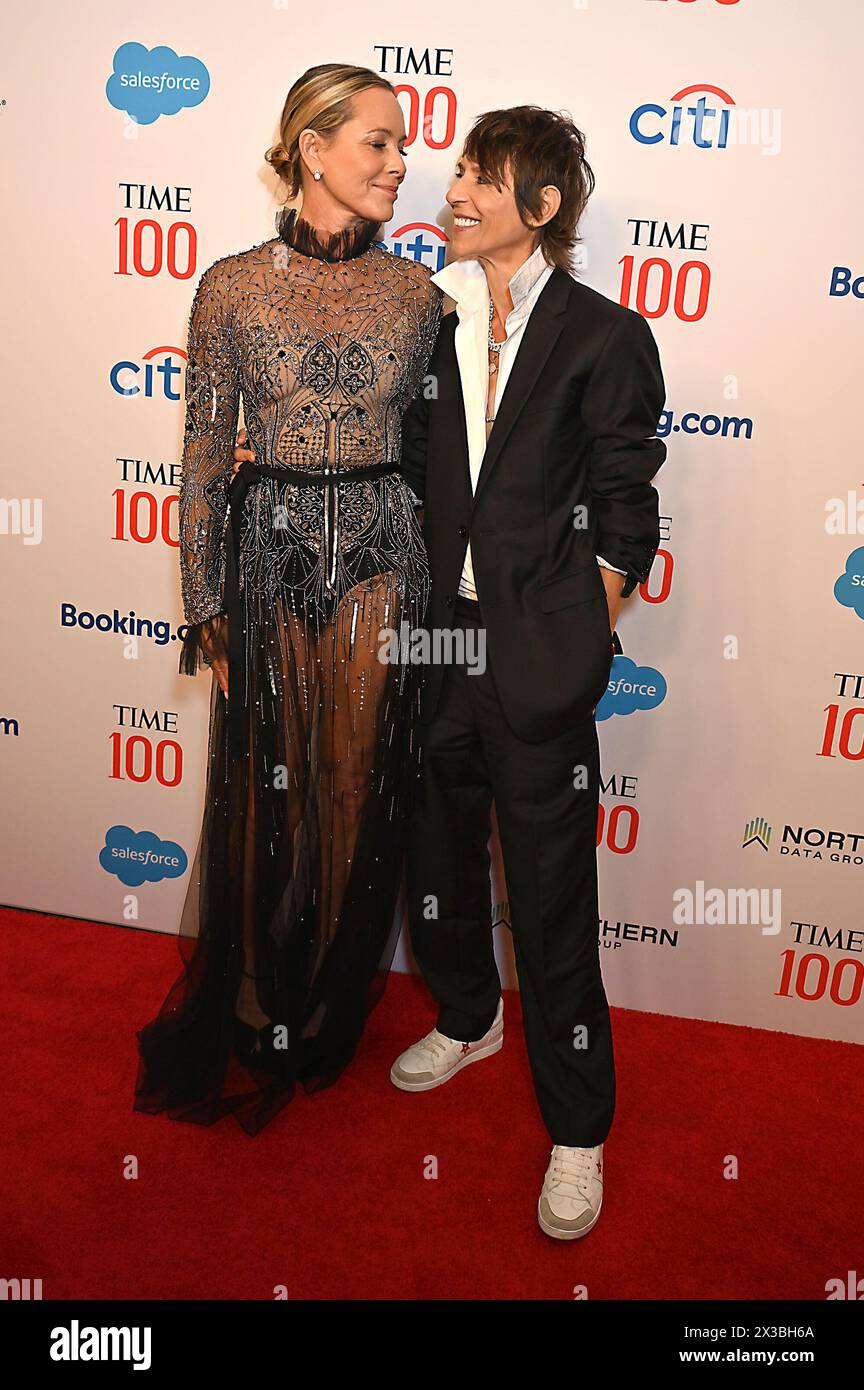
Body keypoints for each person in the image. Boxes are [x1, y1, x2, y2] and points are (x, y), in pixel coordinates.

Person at [133, 63, 442, 1136]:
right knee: (271, 785)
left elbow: (443, 451)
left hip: (383, 551)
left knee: (353, 781)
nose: (399, 163)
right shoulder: (230, 286)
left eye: (401, 145)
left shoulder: (422, 295)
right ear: (313, 148)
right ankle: (260, 988)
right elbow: (201, 453)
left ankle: (327, 989)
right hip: (265, 551)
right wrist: (203, 601)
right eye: (377, 142)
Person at [389, 106, 667, 1238]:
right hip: (435, 643)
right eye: (456, 171)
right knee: (438, 852)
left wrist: (580, 631)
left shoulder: (605, 336)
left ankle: (579, 1128)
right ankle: (468, 1015)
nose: (452, 192)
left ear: (540, 206)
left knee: (551, 900)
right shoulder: (431, 316)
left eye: (480, 177)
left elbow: (627, 505)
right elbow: (404, 467)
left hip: (536, 656)